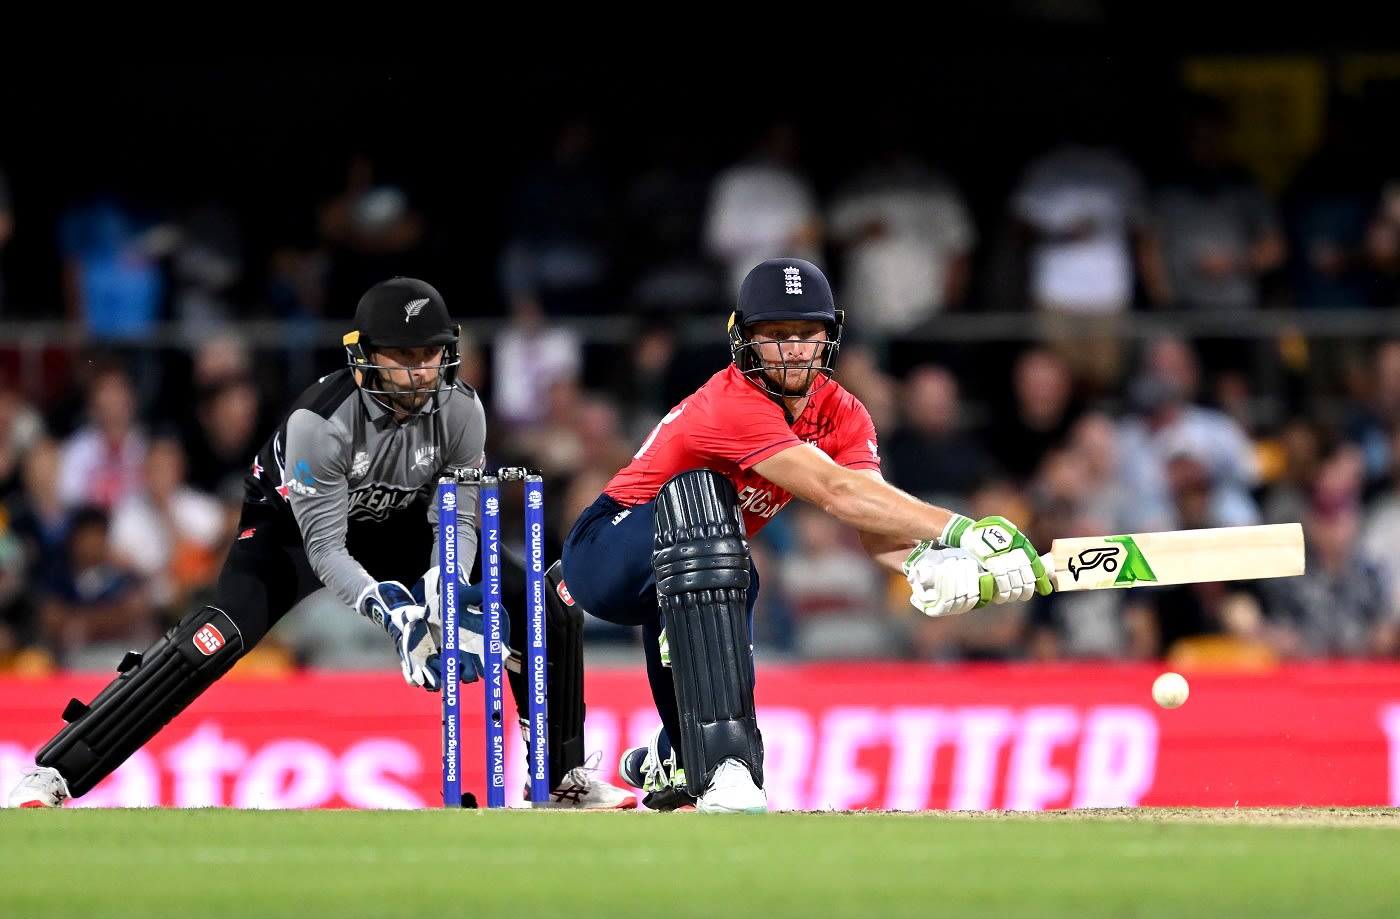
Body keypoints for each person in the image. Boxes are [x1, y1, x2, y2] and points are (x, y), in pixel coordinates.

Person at [7, 276, 633, 810]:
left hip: (404, 525)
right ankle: (59, 770)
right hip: (291, 534)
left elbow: (460, 518)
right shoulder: (320, 425)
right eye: (401, 356)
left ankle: (560, 780)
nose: (418, 371)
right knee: (211, 640)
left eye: (429, 354)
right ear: (366, 357)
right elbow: (328, 550)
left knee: (545, 604)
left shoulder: (463, 410)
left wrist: (448, 589)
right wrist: (398, 617)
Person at [559, 257, 1051, 813]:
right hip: (607, 551)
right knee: (709, 512)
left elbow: (873, 520)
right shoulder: (730, 402)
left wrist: (924, 567)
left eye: (807, 334)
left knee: (734, 571)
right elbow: (835, 491)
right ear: (744, 340)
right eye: (776, 336)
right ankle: (729, 766)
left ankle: (675, 755)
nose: (794, 349)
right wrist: (962, 531)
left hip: (692, 564)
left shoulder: (844, 414)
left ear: (829, 337)